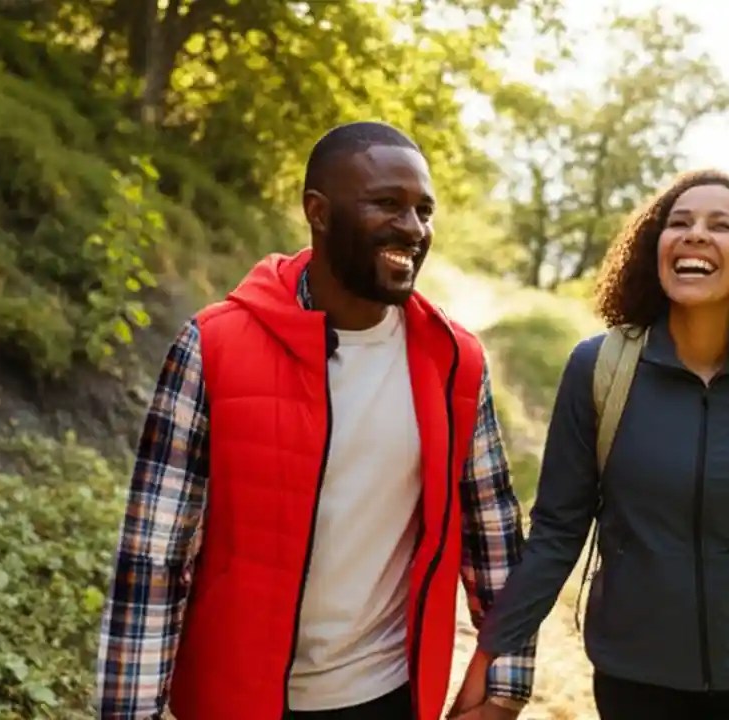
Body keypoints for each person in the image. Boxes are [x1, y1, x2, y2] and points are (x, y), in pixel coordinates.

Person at [95, 121, 535, 720]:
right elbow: (153, 559)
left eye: (424, 210)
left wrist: (506, 685)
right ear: (318, 212)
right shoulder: (213, 346)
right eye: (387, 204)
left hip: (387, 698)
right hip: (233, 703)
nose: (413, 228)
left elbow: (497, 545)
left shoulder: (455, 362)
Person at [475, 169, 729, 720]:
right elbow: (558, 531)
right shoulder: (601, 369)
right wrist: (492, 653)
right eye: (679, 223)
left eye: (719, 225)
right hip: (638, 681)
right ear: (657, 250)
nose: (695, 234)